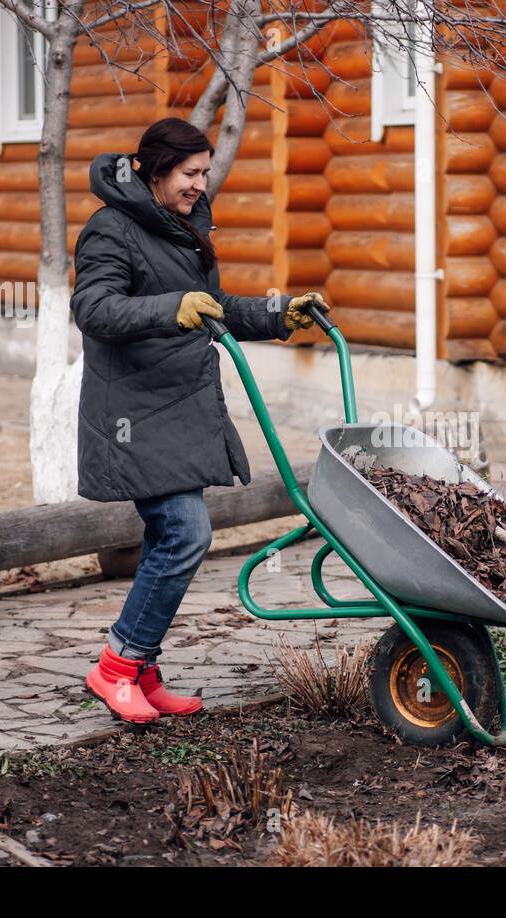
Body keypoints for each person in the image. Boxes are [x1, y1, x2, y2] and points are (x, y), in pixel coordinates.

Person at [69, 116, 327, 724]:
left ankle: (142, 668)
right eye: (190, 173)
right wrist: (169, 308)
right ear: (154, 171)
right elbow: (94, 307)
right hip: (132, 412)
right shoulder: (111, 229)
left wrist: (279, 311)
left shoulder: (177, 226)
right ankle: (116, 667)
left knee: (172, 537)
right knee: (186, 534)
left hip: (174, 408)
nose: (200, 183)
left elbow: (213, 309)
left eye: (204, 172)